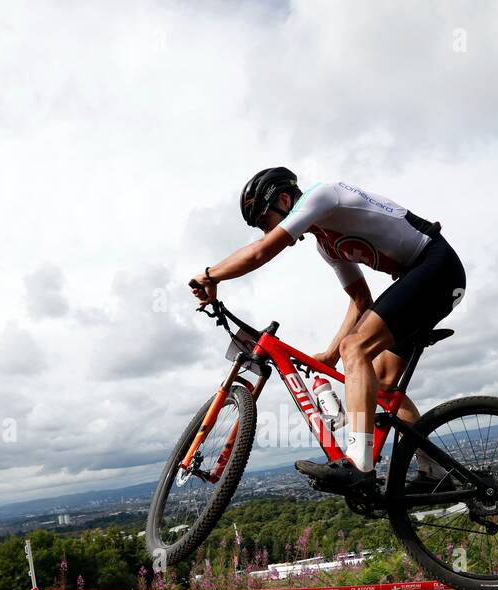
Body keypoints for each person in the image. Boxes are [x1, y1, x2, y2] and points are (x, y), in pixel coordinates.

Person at [190, 168, 466, 496]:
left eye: (265, 222)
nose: (266, 231)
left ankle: (358, 465)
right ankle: (434, 471)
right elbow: (360, 299)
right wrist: (332, 354)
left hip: (435, 265)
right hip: (419, 277)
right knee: (380, 384)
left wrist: (210, 275)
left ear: (283, 199)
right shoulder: (327, 245)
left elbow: (261, 252)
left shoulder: (322, 196)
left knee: (357, 348)